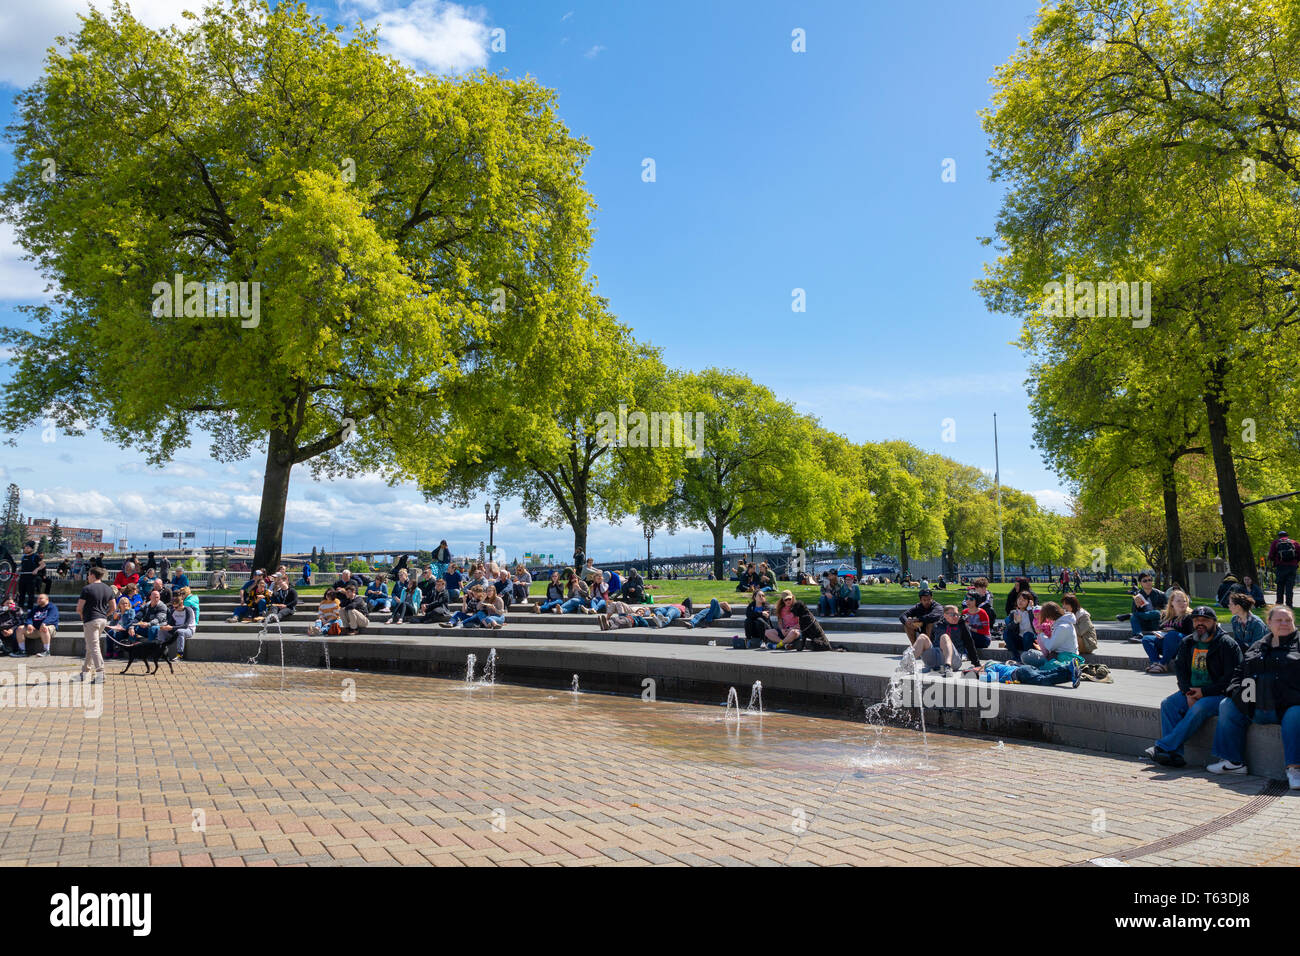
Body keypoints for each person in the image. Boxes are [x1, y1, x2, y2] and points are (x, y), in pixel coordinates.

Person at [1209, 604, 1300, 788]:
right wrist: (1235, 692)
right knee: (1227, 704)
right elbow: (1239, 671)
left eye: (1288, 620)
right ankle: (1233, 763)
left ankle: (1295, 769)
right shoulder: (1259, 645)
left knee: (1296, 713)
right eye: (1279, 620)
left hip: (1287, 707)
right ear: (1268, 622)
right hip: (1255, 705)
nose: (1284, 623)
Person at [1145, 606, 1243, 767]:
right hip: (1193, 691)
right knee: (1168, 704)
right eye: (1196, 620)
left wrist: (1203, 693)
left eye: (1205, 620)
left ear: (1214, 622)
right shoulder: (1188, 642)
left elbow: (1232, 678)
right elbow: (1181, 670)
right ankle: (1174, 756)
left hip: (1221, 694)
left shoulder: (1227, 644)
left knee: (1201, 706)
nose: (1200, 623)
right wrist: (1188, 692)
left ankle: (1164, 747)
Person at [913, 604, 983, 676]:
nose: (956, 617)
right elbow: (931, 642)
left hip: (954, 659)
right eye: (953, 614)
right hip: (937, 658)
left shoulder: (962, 625)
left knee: (944, 637)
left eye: (957, 614)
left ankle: (947, 667)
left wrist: (977, 664)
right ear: (945, 615)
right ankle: (908, 663)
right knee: (922, 637)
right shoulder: (937, 625)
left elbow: (969, 644)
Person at [71, 566, 114, 684]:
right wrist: (105, 614)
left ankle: (100, 673)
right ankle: (84, 672)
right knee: (90, 646)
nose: (88, 577)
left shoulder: (87, 589)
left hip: (91, 620)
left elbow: (79, 608)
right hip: (102, 620)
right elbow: (113, 607)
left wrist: (82, 616)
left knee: (94, 646)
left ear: (93, 575)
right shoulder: (108, 589)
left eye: (89, 575)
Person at [1143, 588, 1192, 674]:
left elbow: (1192, 635)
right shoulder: (1166, 616)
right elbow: (1162, 629)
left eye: (1184, 601)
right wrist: (1160, 634)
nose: (1182, 603)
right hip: (1167, 644)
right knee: (1147, 639)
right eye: (1178, 601)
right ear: (1172, 603)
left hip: (1181, 646)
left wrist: (1174, 630)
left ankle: (1163, 664)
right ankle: (1155, 662)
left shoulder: (1189, 617)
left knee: (1172, 634)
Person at [1121, 573, 1166, 641]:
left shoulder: (1161, 594)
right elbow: (1134, 612)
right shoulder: (1137, 596)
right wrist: (1137, 606)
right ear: (1140, 583)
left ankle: (1129, 616)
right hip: (1144, 623)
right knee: (1134, 615)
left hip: (1157, 622)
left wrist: (1161, 612)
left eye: (1150, 580)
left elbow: (1167, 610)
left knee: (1156, 612)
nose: (1148, 582)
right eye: (1145, 581)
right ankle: (1138, 635)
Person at [159, 593, 197, 658]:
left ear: (181, 604)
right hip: (176, 629)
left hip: (188, 630)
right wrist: (166, 626)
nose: (174, 608)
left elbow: (186, 625)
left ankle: (180, 655)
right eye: (173, 607)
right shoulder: (173, 611)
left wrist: (172, 627)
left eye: (176, 607)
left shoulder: (188, 610)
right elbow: (171, 623)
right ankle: (162, 653)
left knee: (180, 631)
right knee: (161, 631)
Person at [1269, 530, 1300, 607]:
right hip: (1292, 567)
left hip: (1280, 567)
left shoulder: (1275, 542)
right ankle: (1289, 605)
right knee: (1289, 587)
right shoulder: (1294, 543)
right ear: (1287, 535)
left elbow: (1271, 555)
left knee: (1280, 587)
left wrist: (1275, 561)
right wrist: (1295, 561)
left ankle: (1279, 604)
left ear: (1279, 536)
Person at [103, 596, 135, 660]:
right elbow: (112, 624)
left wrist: (123, 628)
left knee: (118, 634)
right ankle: (109, 652)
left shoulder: (131, 611)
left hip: (125, 630)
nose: (125, 605)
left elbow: (132, 622)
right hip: (116, 629)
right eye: (123, 603)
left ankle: (117, 652)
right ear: (119, 605)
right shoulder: (117, 612)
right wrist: (114, 619)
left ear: (129, 604)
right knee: (110, 633)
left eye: (126, 603)